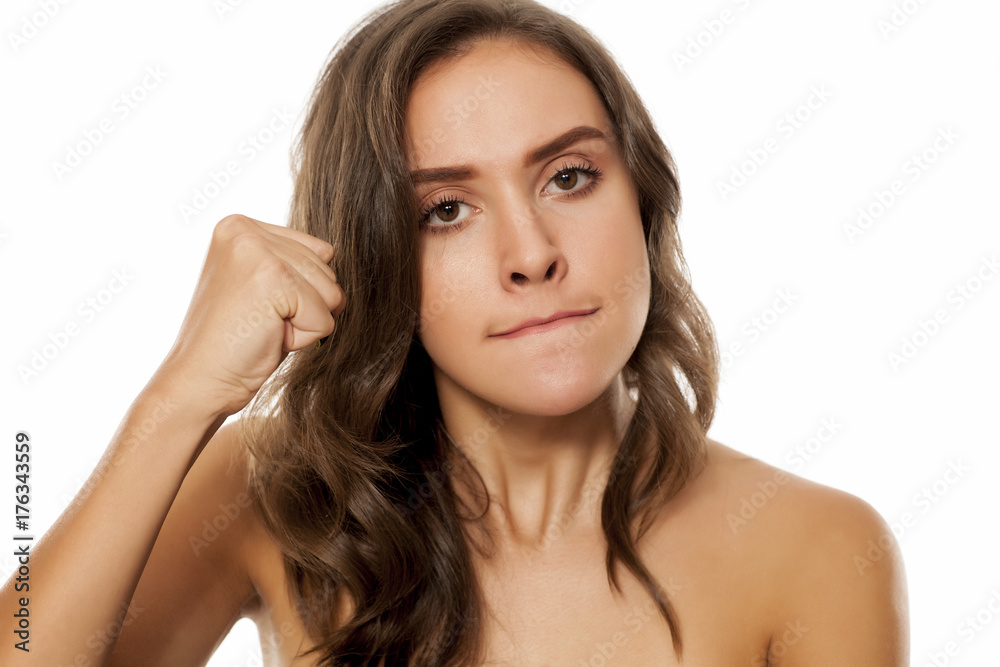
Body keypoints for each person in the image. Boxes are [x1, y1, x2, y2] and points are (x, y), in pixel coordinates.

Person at [1, 0, 909, 664]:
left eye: (568, 177)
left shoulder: (818, 547)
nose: (530, 255)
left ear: (644, 197)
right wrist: (181, 394)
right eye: (445, 208)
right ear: (376, 255)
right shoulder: (270, 493)